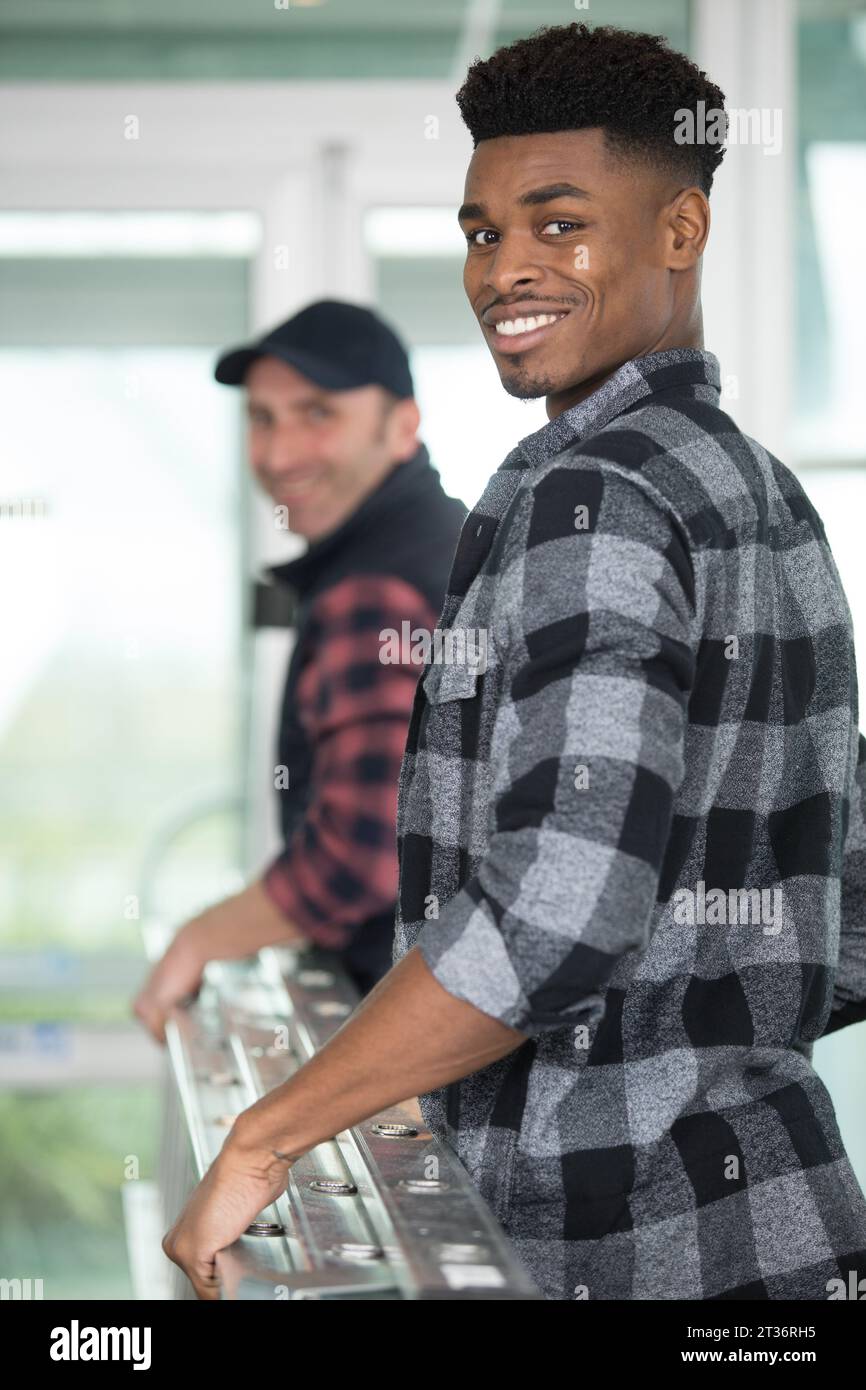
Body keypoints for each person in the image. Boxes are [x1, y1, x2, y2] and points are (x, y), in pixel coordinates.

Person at [161, 24, 866, 1302]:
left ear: (679, 229)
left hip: (620, 1247)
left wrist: (268, 1132)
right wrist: (702, 1033)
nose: (506, 270)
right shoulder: (760, 492)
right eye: (484, 233)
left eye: (558, 224)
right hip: (787, 1228)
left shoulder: (585, 493)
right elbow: (843, 901)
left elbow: (555, 909)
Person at [133, 299, 467, 1040]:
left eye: (317, 414)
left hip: (422, 1036)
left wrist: (199, 939)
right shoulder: (450, 545)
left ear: (402, 425)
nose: (280, 455)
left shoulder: (374, 589)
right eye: (262, 419)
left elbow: (359, 855)